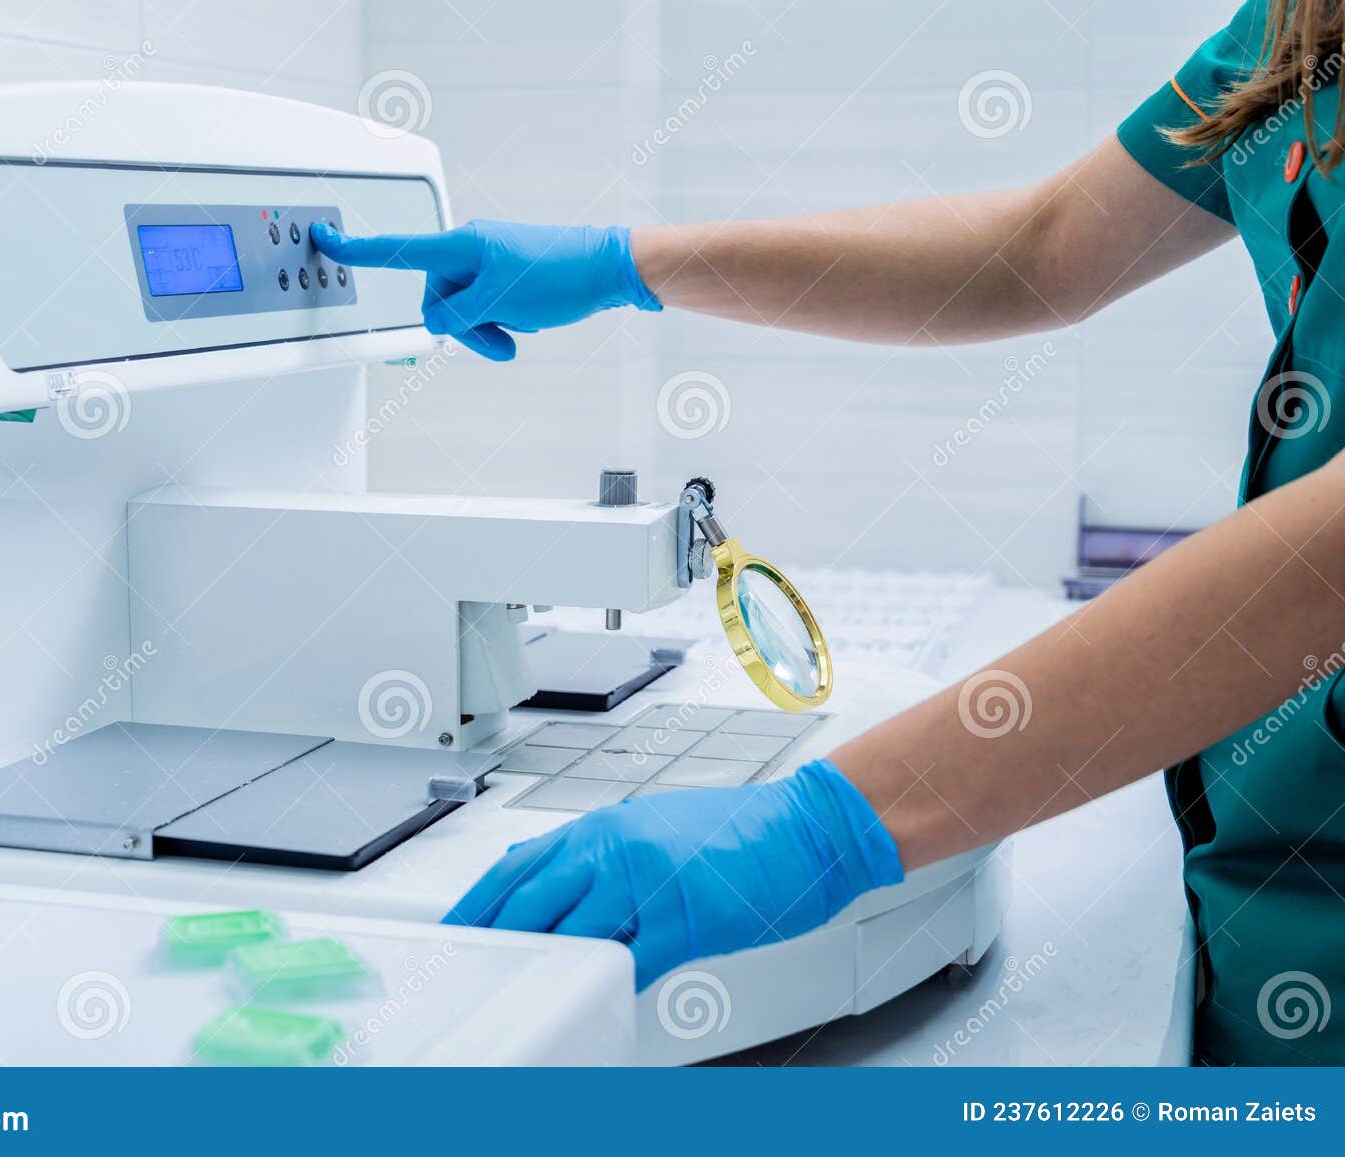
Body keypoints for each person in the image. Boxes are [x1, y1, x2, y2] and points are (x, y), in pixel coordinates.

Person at [312, 0, 1343, 1065]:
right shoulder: (1291, 24)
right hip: (1277, 857)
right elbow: (1037, 249)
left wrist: (831, 826)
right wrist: (626, 262)